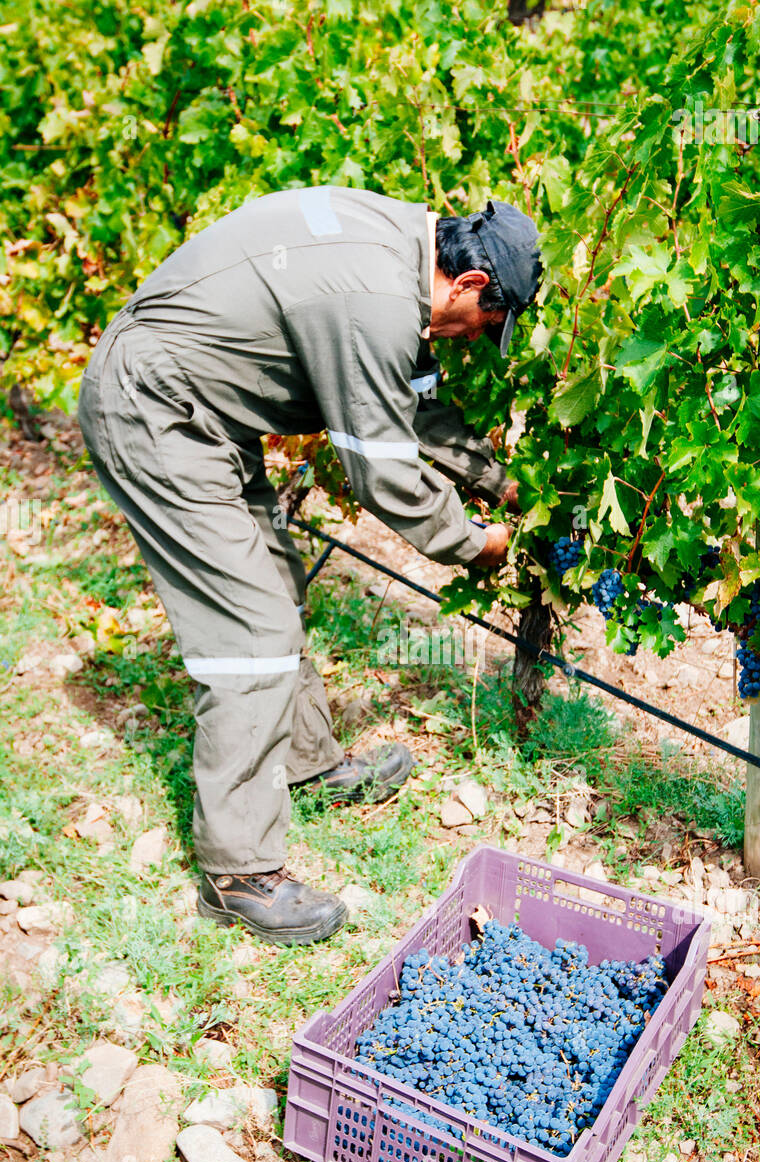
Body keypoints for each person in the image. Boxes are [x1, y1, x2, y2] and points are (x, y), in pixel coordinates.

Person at [78, 187, 541, 946]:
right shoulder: (373, 302)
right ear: (469, 284)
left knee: (274, 581)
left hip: (203, 415)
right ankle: (238, 876)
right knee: (249, 629)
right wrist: (476, 543)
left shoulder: (400, 248)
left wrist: (502, 483)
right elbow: (382, 475)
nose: (468, 341)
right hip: (153, 410)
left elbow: (417, 409)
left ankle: (305, 762)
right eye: (483, 326)